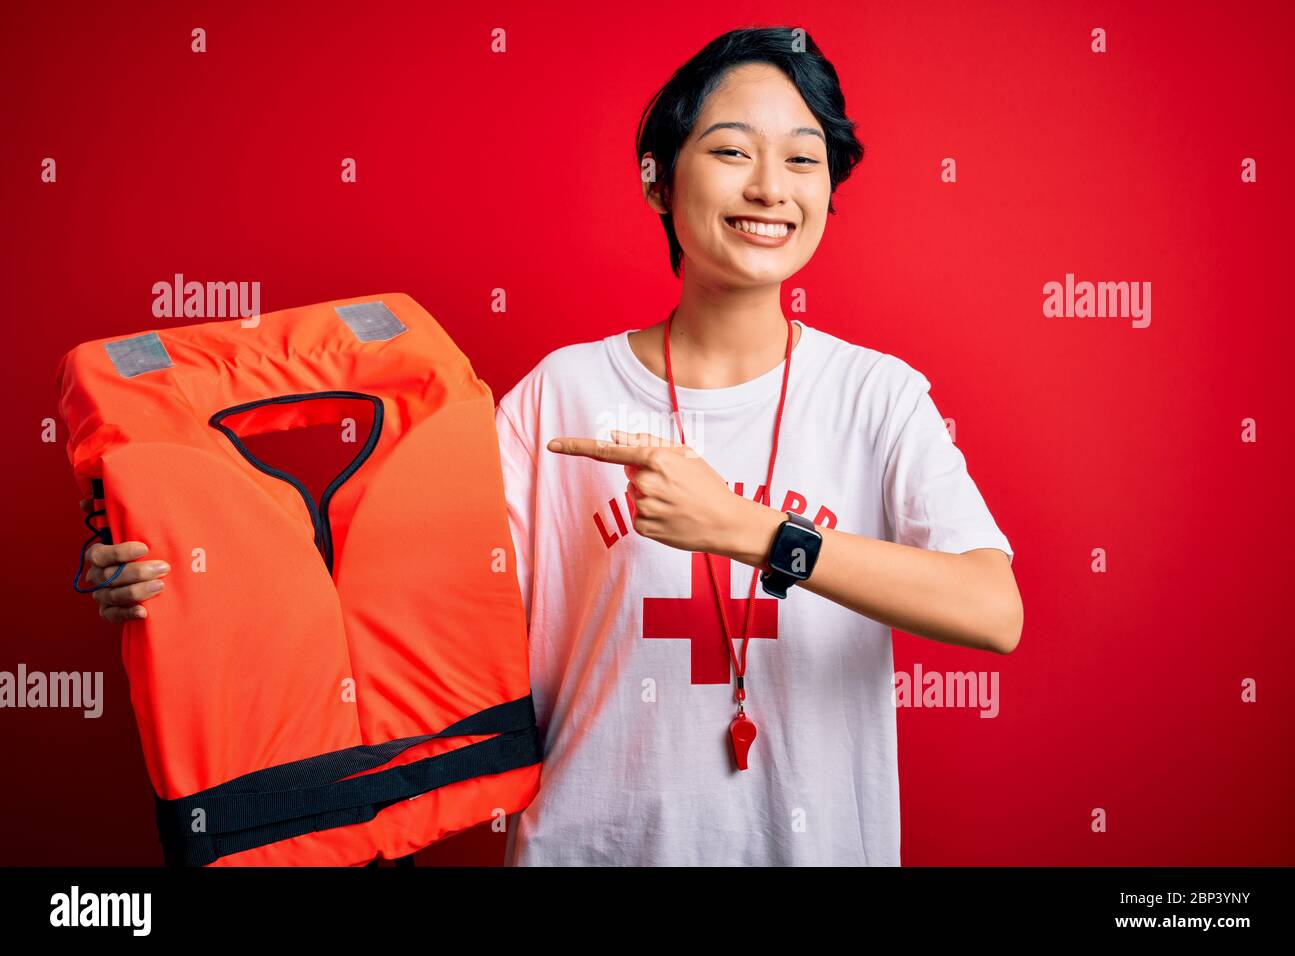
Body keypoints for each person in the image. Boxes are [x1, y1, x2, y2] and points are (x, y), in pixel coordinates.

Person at [77, 26, 1022, 866]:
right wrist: (187, 572)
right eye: (731, 151)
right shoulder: (559, 396)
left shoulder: (878, 397)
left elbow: (993, 611)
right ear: (657, 174)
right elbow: (405, 611)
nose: (770, 187)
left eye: (804, 160)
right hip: (592, 841)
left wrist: (752, 531)